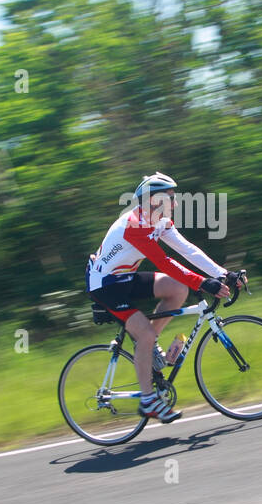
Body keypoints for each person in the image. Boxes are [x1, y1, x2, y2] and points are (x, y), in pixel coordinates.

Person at [87, 173, 243, 423]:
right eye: (170, 197)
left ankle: (146, 347)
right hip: (106, 286)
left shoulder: (160, 222)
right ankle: (148, 400)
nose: (176, 203)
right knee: (146, 334)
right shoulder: (134, 225)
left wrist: (224, 274)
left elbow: (187, 249)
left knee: (178, 289)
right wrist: (203, 283)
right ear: (153, 200)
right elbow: (164, 262)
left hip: (125, 277)